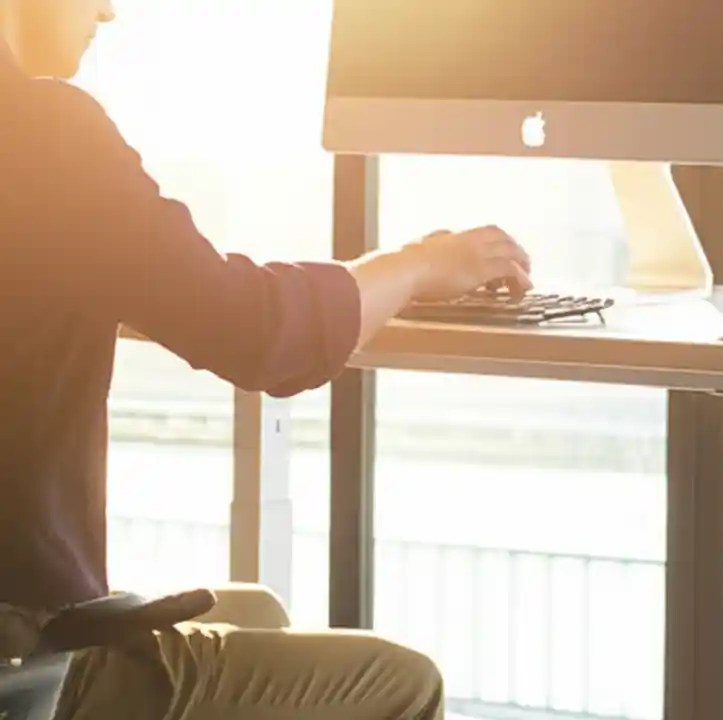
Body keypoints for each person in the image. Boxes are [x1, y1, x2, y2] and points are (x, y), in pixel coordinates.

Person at [0, 0, 534, 717]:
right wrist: (419, 266)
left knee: (258, 612)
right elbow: (256, 335)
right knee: (398, 681)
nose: (106, 11)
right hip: (26, 660)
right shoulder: (41, 130)